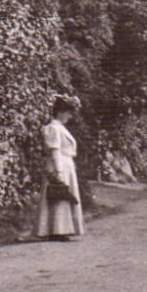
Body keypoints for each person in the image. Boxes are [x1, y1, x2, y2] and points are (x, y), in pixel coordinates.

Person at [36, 97, 85, 241]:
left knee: (62, 197)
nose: (70, 116)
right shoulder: (53, 128)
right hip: (59, 165)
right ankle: (56, 230)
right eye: (68, 113)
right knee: (58, 196)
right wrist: (59, 171)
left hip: (65, 164)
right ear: (60, 112)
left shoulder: (60, 128)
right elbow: (55, 150)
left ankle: (61, 229)